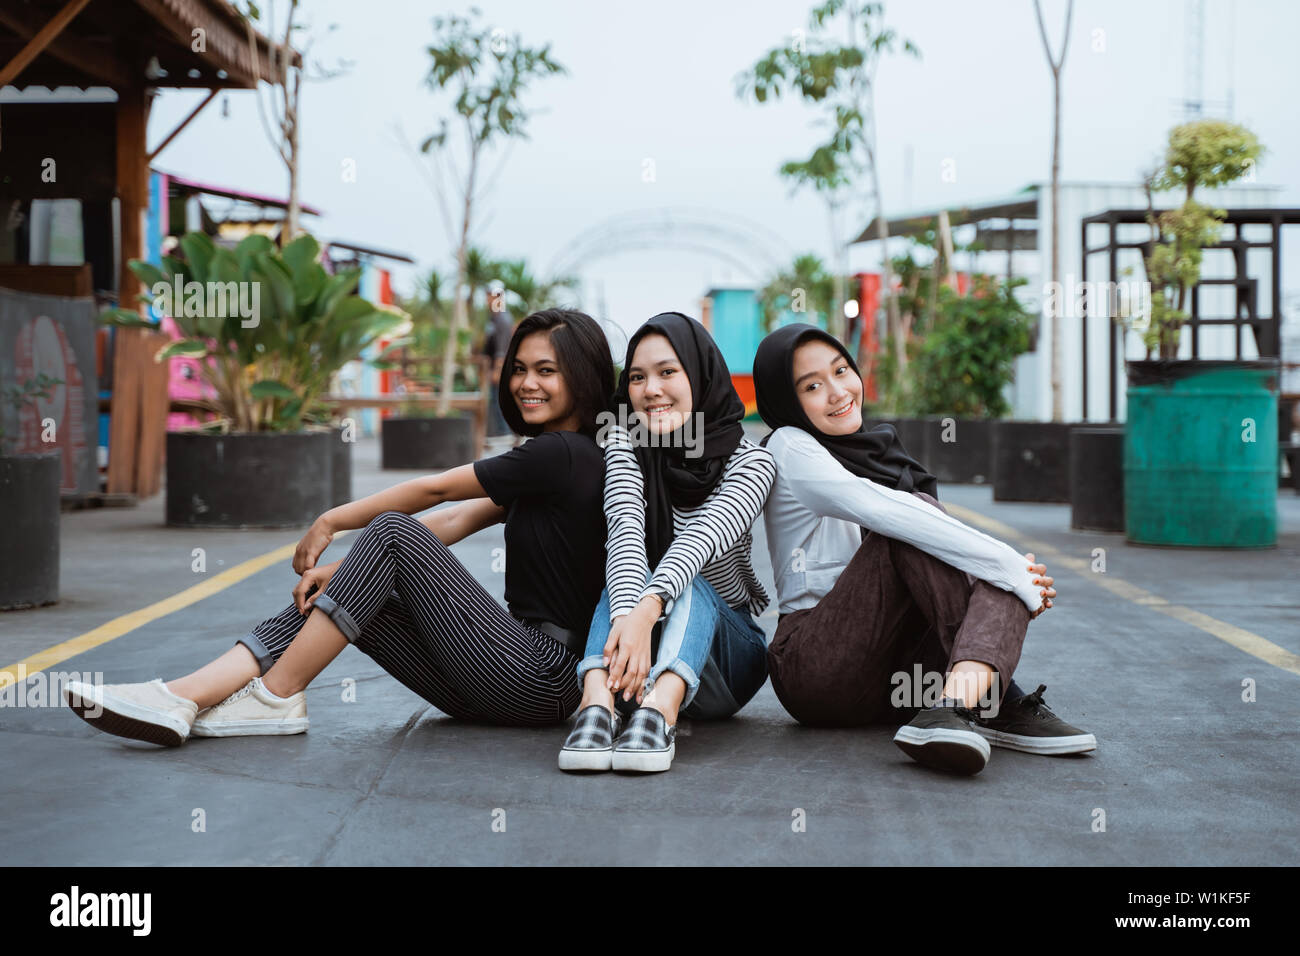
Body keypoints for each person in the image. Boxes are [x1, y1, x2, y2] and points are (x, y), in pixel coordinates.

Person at [64, 309, 615, 744]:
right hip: (497, 680)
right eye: (518, 368)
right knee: (345, 594)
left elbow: (437, 491)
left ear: (583, 380)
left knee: (394, 531)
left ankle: (275, 697)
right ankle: (188, 695)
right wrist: (342, 570)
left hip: (543, 674)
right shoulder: (556, 461)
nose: (525, 383)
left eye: (546, 371)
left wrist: (332, 520)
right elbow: (454, 519)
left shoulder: (565, 454)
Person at [751, 322, 1095, 776]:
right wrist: (1011, 568)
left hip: (894, 673)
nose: (837, 391)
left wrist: (1006, 569)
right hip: (815, 668)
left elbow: (939, 544)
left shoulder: (875, 453)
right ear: (787, 400)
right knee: (922, 520)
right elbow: (876, 507)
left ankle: (960, 706)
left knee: (963, 548)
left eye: (841, 370)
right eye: (813, 386)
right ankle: (995, 701)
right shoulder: (788, 445)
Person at [558, 311, 773, 774]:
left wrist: (647, 609)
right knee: (620, 575)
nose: (650, 389)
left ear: (699, 373)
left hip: (726, 661)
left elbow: (699, 541)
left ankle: (661, 711)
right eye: (637, 377)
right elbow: (626, 531)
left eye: (667, 372)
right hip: (636, 650)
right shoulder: (624, 442)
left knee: (686, 579)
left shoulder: (752, 462)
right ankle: (598, 702)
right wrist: (630, 620)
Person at [481, 302, 516, 439]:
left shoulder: (503, 319)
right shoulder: (493, 318)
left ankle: (505, 432)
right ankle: (502, 432)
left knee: (499, 399)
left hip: (500, 367)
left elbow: (502, 347)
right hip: (493, 366)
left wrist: (497, 368)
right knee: (495, 399)